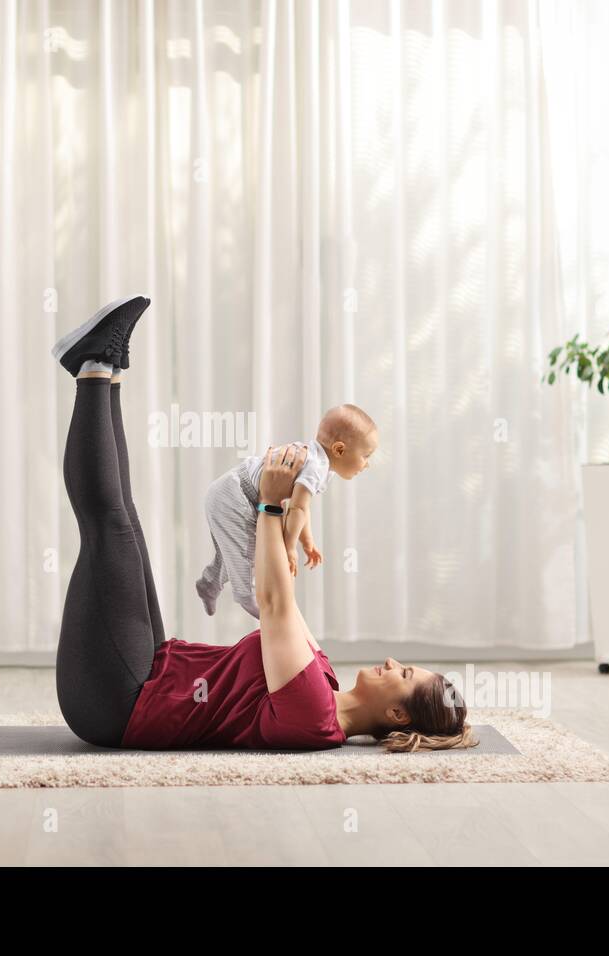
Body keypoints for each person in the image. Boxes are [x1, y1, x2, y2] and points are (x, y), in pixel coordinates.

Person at [51, 296, 477, 753]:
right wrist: (276, 505)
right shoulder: (324, 680)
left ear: (397, 714)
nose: (394, 662)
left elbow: (273, 603)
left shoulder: (314, 715)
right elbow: (282, 602)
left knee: (110, 527)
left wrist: (271, 505)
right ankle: (108, 369)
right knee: (125, 521)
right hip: (154, 668)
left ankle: (92, 365)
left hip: (121, 702)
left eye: (405, 674)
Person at [195, 404, 379, 618]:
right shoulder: (315, 466)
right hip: (235, 497)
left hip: (229, 492)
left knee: (232, 553)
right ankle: (249, 598)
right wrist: (290, 547)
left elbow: (301, 506)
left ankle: (209, 584)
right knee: (245, 556)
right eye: (366, 456)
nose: (367, 465)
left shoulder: (319, 463)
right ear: (339, 449)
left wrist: (306, 541)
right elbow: (297, 508)